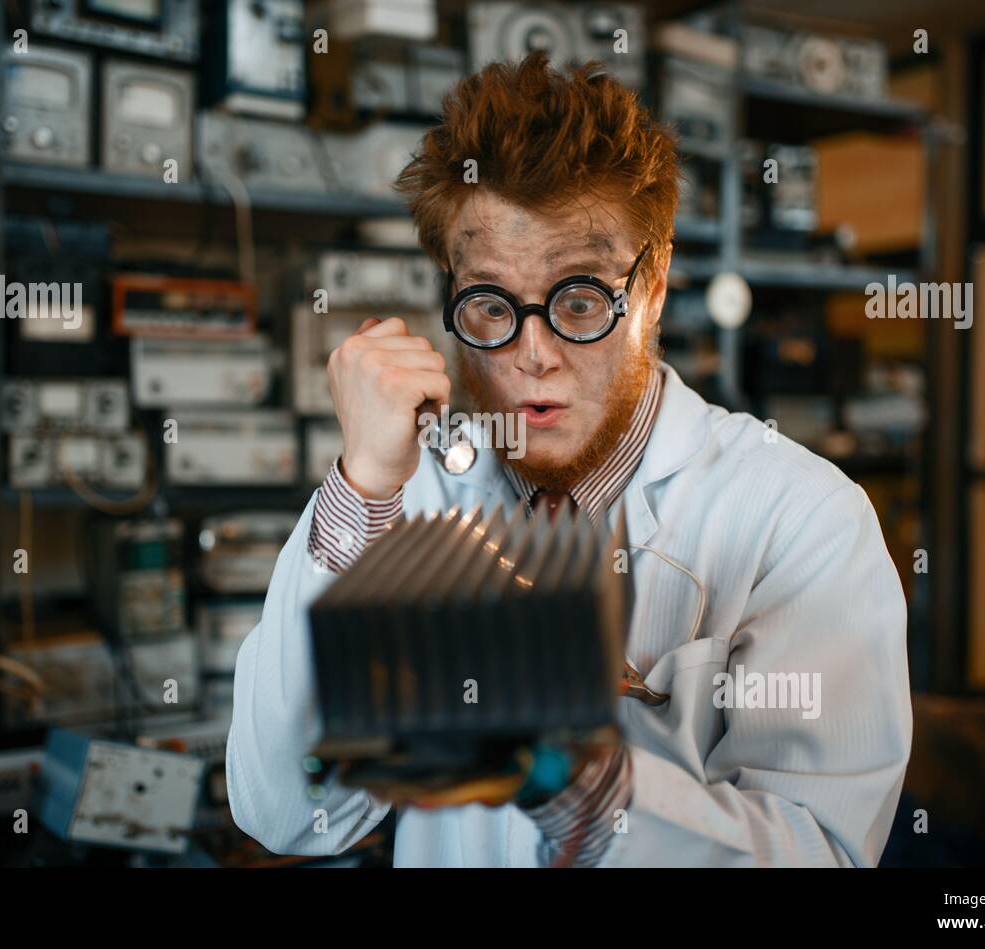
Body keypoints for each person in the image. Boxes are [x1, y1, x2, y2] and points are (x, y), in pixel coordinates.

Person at [227, 52, 912, 867]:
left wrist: (578, 783)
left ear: (653, 286)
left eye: (579, 299)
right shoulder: (401, 490)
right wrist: (360, 485)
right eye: (489, 305)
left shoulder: (801, 517)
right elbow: (285, 813)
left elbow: (823, 849)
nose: (532, 354)